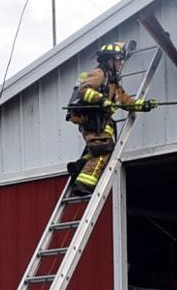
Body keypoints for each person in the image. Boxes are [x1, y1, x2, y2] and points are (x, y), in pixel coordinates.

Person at [64, 41, 157, 197]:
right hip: (91, 119)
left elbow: (125, 100)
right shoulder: (99, 74)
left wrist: (144, 105)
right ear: (109, 60)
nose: (121, 63)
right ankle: (82, 185)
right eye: (118, 60)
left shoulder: (113, 80)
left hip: (101, 120)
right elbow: (83, 90)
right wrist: (101, 100)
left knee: (99, 149)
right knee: (103, 151)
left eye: (121, 60)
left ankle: (80, 166)